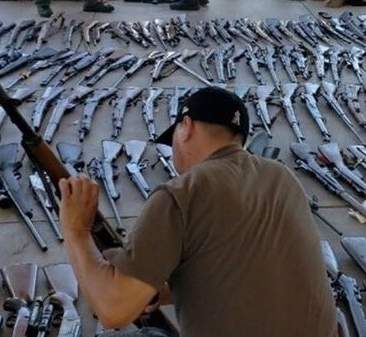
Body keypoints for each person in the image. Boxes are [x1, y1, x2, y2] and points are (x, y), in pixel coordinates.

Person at [58, 87, 338, 337]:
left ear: (186, 126)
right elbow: (252, 265)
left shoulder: (182, 193)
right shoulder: (282, 177)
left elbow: (113, 310)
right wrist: (166, 290)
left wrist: (76, 230)